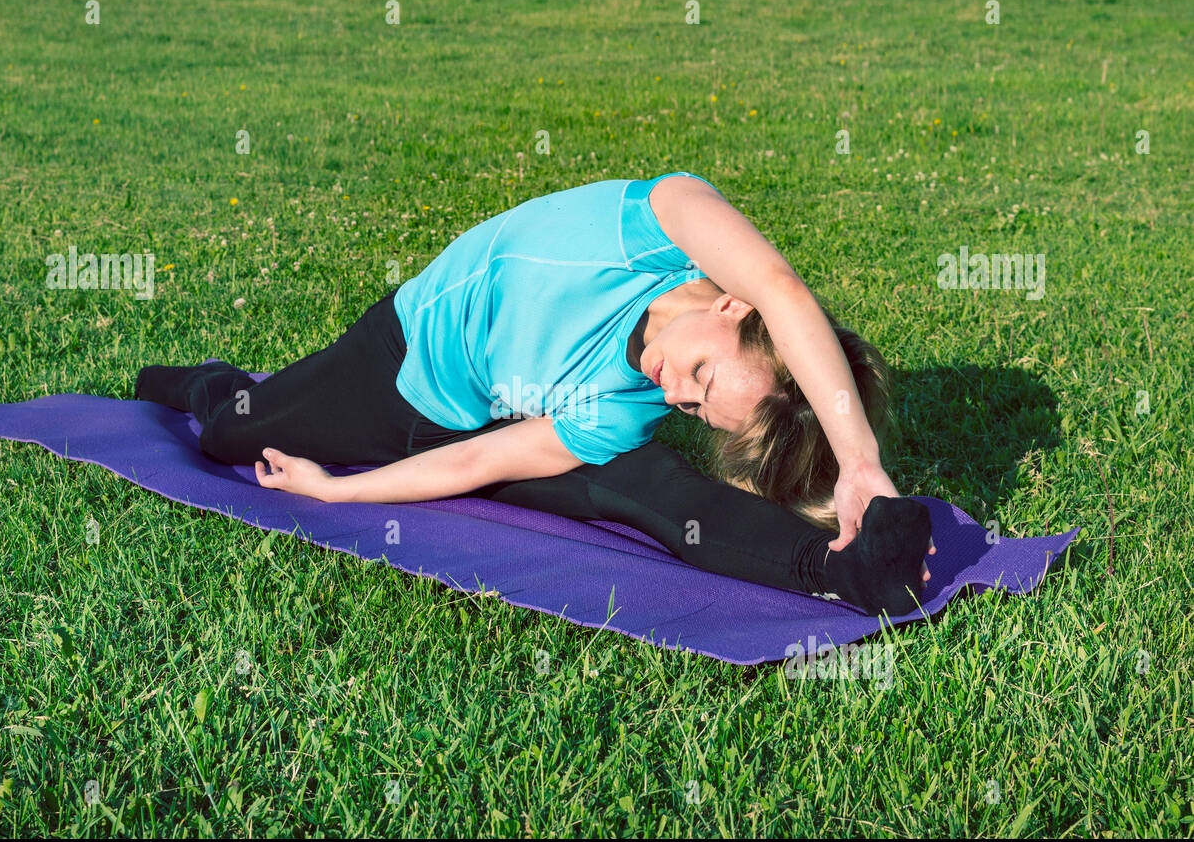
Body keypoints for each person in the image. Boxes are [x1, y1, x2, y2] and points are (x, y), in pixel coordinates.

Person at [135, 172, 934, 614]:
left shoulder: (622, 407)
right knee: (227, 437)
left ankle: (841, 572)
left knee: (644, 483)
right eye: (699, 376)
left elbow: (478, 461)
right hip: (394, 366)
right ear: (732, 304)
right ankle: (209, 385)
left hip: (458, 431)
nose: (673, 392)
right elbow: (785, 286)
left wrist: (338, 492)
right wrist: (859, 458)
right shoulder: (663, 223)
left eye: (692, 408)